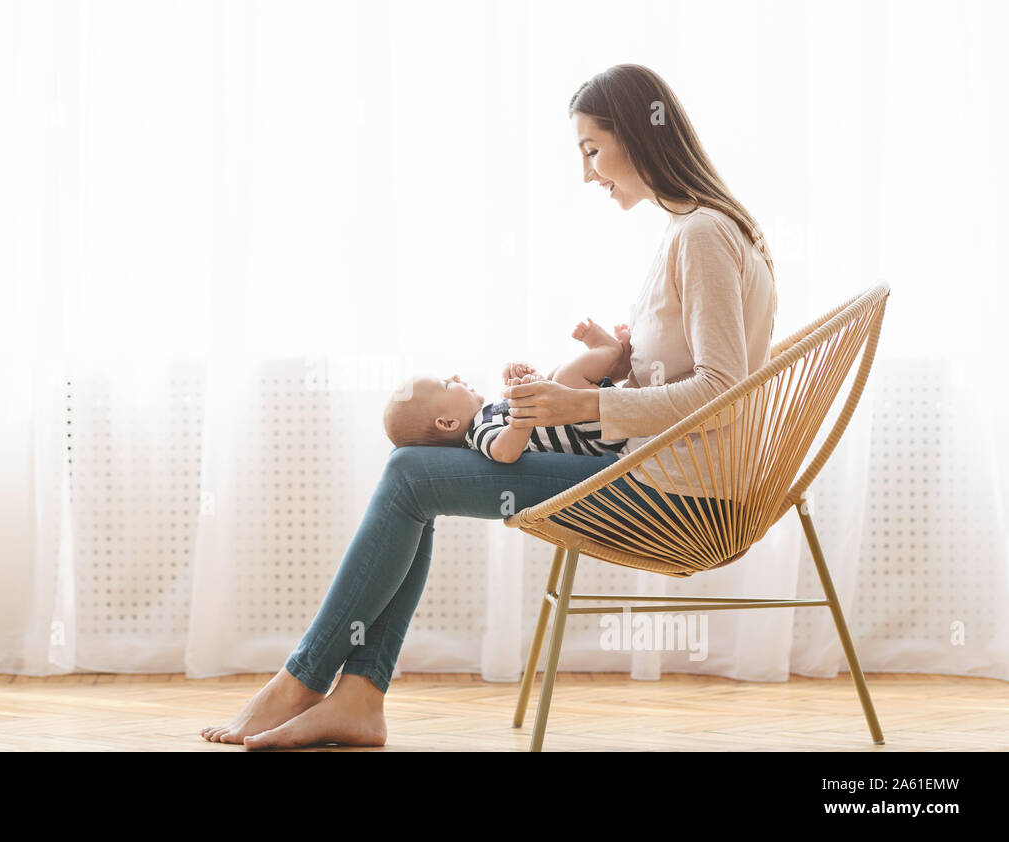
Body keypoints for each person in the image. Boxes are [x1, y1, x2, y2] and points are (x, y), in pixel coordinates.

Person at [200, 63, 778, 749]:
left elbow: (720, 392)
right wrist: (613, 366)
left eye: (592, 149)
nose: (588, 173)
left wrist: (580, 405)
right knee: (412, 471)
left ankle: (304, 685)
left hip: (677, 495)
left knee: (410, 475)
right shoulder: (694, 231)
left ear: (637, 135)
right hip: (655, 475)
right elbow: (689, 374)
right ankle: (353, 697)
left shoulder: (702, 235)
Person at [381, 318, 631, 461]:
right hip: (597, 438)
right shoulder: (477, 433)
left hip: (587, 422)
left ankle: (620, 364)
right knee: (565, 377)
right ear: (447, 423)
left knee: (556, 377)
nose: (455, 376)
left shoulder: (487, 413)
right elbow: (504, 452)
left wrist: (528, 381)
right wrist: (523, 416)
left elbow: (548, 407)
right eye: (446, 384)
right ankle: (610, 350)